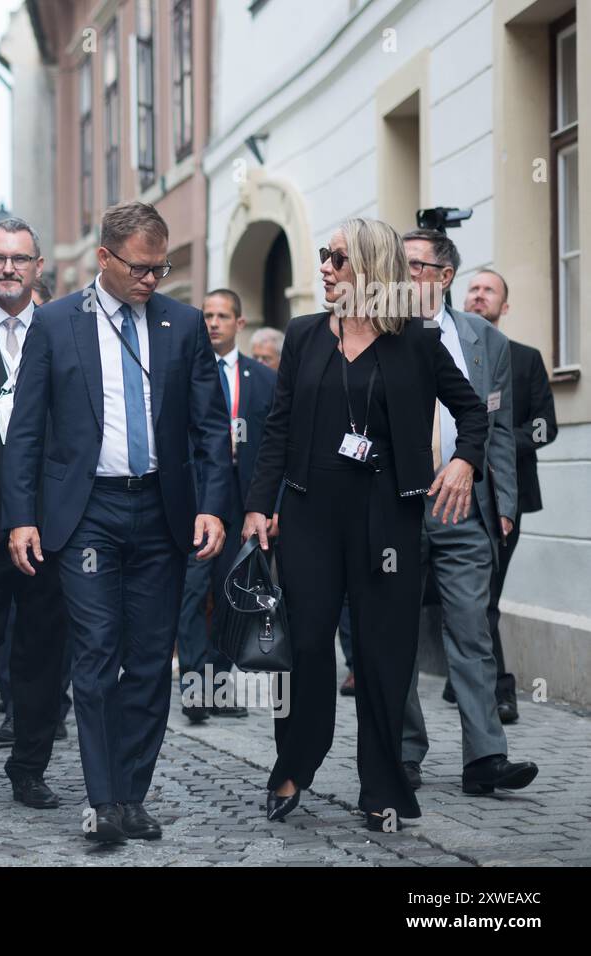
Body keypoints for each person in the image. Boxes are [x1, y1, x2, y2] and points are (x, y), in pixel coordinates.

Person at [242, 217, 488, 832]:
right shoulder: (302, 335)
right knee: (303, 649)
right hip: (308, 514)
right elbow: (277, 428)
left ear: (373, 269)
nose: (324, 266)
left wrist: (462, 462)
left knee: (383, 655)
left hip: (387, 518)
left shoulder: (417, 341)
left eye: (337, 259)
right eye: (324, 256)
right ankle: (294, 763)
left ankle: (383, 785)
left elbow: (474, 415)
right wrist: (255, 504)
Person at [4, 201, 232, 843]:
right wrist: (22, 517)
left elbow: (211, 426)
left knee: (151, 656)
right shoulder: (54, 324)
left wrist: (212, 504)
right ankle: (102, 800)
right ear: (104, 258)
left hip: (162, 511)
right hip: (87, 515)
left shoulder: (182, 325)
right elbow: (24, 431)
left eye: (160, 268)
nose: (151, 279)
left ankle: (133, 794)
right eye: (139, 267)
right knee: (97, 654)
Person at [399, 230, 536, 796]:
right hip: (398, 505)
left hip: (464, 504)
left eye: (411, 265)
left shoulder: (484, 340)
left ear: (443, 275)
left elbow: (498, 427)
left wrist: (502, 502)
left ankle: (485, 757)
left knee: (472, 631)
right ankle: (403, 753)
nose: (399, 274)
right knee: (397, 634)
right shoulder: (379, 332)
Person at [0, 218, 70, 808]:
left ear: (37, 265)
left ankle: (29, 766)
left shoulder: (61, 330)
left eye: (19, 259)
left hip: (51, 523)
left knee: (41, 651)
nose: (8, 268)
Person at [175, 287, 276, 722]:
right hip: (196, 497)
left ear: (240, 323)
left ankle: (217, 684)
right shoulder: (184, 373)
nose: (213, 322)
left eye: (222, 316)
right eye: (207, 315)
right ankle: (195, 687)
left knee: (235, 596)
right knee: (193, 592)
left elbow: (276, 445)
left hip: (245, 501)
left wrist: (273, 505)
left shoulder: (264, 378)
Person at [462, 268, 558, 723]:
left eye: (489, 291)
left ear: (505, 305)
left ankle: (501, 690)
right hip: (442, 490)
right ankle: (468, 678)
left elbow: (544, 427)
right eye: (473, 288)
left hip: (503, 494)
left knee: (486, 592)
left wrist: (493, 441)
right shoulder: (442, 351)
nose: (479, 296)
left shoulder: (524, 358)